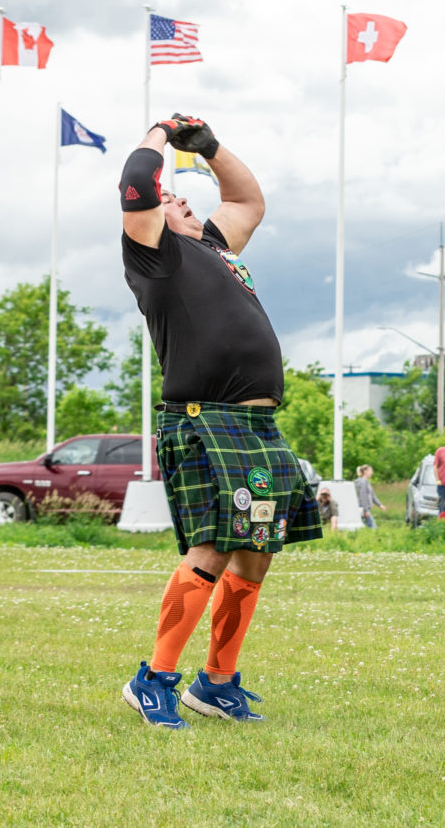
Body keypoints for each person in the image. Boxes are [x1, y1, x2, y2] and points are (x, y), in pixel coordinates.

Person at [117, 114, 302, 729]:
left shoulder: (213, 249)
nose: (182, 199)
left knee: (255, 554)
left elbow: (248, 199)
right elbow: (137, 185)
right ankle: (154, 679)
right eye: (174, 200)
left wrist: (211, 148)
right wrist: (160, 134)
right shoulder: (156, 257)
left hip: (254, 428)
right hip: (201, 420)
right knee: (212, 549)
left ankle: (216, 682)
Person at [353, 464, 379, 529]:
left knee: (362, 526)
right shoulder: (363, 482)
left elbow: (372, 495)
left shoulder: (366, 482)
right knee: (373, 527)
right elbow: (363, 497)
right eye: (371, 470)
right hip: (363, 509)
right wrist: (366, 510)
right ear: (365, 471)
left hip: (363, 508)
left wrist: (380, 505)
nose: (372, 472)